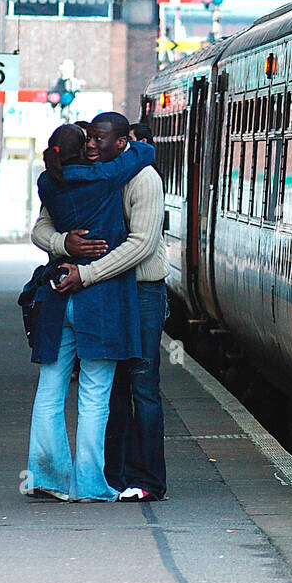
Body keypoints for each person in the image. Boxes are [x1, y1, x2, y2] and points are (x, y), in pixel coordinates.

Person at [33, 111, 169, 502]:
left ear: (121, 143)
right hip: (103, 293)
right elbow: (42, 227)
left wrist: (87, 273)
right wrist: (65, 246)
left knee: (142, 385)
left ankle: (146, 480)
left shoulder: (142, 178)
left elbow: (141, 244)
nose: (92, 145)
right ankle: (109, 475)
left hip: (139, 292)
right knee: (110, 388)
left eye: (100, 139)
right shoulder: (90, 177)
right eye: (88, 138)